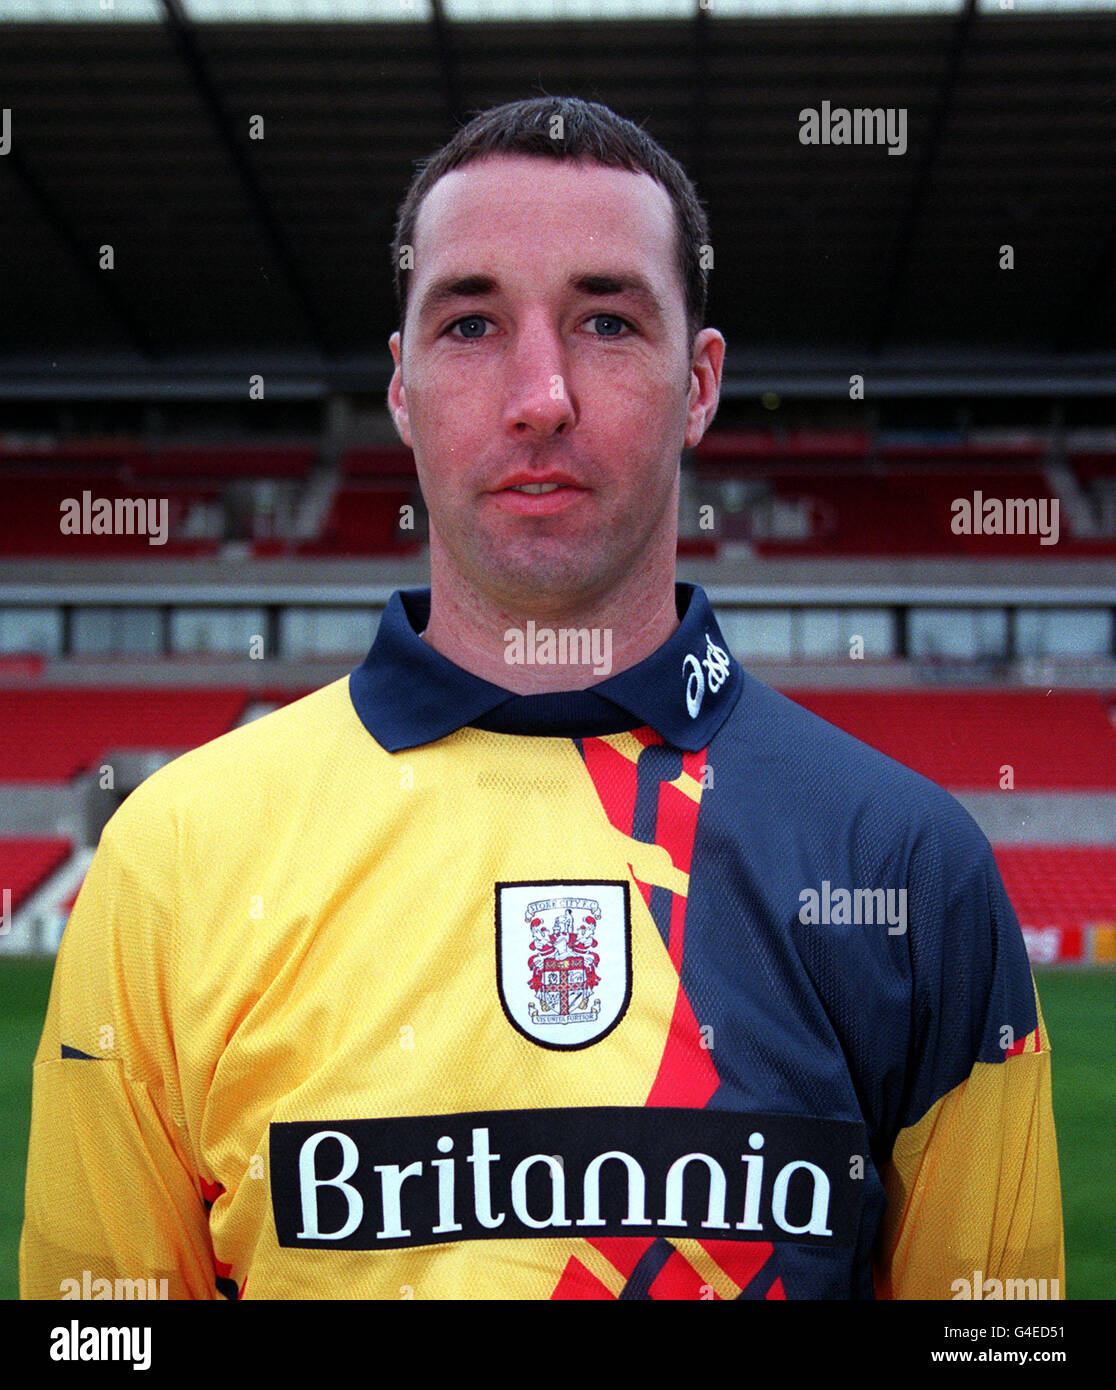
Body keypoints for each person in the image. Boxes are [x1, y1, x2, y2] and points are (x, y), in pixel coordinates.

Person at [21, 95, 1062, 1301]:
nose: (541, 394)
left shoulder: (908, 862)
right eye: (471, 324)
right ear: (403, 387)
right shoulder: (173, 858)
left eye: (608, 321)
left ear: (701, 384)